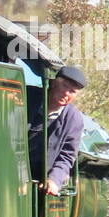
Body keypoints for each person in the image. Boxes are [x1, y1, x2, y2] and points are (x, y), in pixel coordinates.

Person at [28, 65, 87, 195]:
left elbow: (67, 155)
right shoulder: (27, 96)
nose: (66, 93)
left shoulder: (74, 119)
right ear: (53, 82)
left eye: (72, 91)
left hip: (38, 182)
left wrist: (54, 179)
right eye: (65, 86)